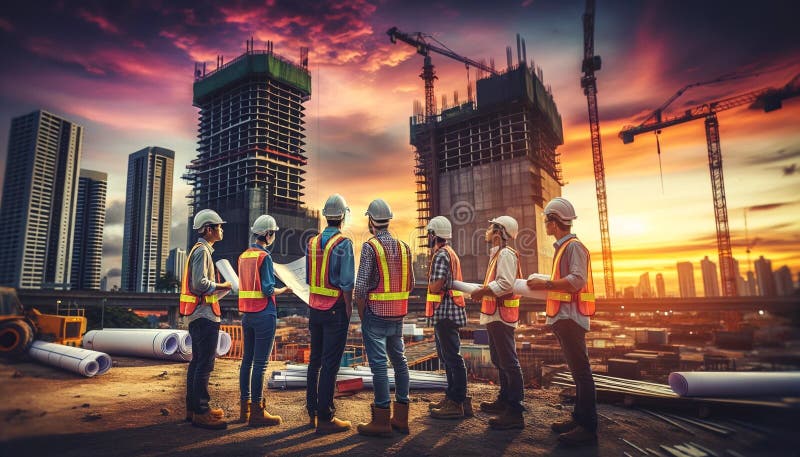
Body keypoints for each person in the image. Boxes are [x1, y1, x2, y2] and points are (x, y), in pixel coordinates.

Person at [527, 197, 597, 446]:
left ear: (554, 221)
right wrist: (543, 279)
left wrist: (545, 283)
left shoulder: (574, 247)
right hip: (563, 317)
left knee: (581, 372)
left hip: (571, 318)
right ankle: (579, 418)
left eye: (547, 219)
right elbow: (565, 279)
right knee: (578, 372)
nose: (545, 224)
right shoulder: (563, 248)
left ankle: (587, 427)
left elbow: (576, 280)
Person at [354, 199, 414, 437]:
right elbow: (409, 284)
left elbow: (360, 289)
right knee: (399, 362)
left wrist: (363, 313)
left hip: (376, 315)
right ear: (388, 220)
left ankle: (380, 420)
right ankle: (401, 418)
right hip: (398, 315)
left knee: (379, 366)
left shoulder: (371, 247)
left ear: (371, 221)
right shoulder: (405, 247)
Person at [470, 216, 525, 430]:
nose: (487, 229)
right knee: (499, 359)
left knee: (509, 362)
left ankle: (515, 410)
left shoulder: (506, 255)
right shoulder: (497, 256)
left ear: (499, 232)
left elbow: (504, 284)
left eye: (490, 226)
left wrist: (481, 291)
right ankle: (504, 400)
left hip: (502, 316)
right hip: (495, 315)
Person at [305, 194, 355, 434]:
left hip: (314, 309)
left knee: (315, 361)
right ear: (343, 216)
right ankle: (326, 417)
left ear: (326, 216)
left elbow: (308, 279)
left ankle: (312, 411)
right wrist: (348, 308)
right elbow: (347, 284)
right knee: (330, 365)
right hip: (335, 310)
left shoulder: (312, 243)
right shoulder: (344, 244)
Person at [237, 214, 292, 427]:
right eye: (273, 234)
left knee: (247, 362)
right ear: (268, 234)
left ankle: (245, 409)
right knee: (260, 364)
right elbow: (268, 289)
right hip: (264, 314)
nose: (274, 237)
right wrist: (284, 289)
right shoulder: (264, 257)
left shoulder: (243, 256)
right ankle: (258, 412)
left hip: (247, 315)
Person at [180, 209, 231, 430]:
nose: (221, 229)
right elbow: (199, 284)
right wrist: (224, 285)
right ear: (208, 229)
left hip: (198, 315)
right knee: (205, 364)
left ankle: (193, 409)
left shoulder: (199, 251)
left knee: (198, 362)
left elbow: (200, 287)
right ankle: (202, 411)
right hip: (204, 316)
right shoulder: (202, 252)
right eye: (218, 226)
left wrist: (220, 290)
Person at [424, 216, 472, 420]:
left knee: (452, 357)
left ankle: (457, 401)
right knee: (448, 356)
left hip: (445, 312)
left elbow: (436, 285)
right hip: (447, 311)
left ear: (434, 235)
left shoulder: (441, 255)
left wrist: (430, 285)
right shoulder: (448, 253)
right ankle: (453, 398)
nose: (427, 236)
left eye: (429, 233)